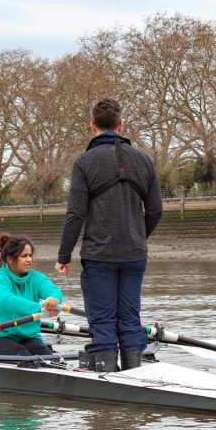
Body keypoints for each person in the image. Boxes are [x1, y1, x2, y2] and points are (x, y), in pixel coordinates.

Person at [55, 98, 163, 372]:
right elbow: (156, 211)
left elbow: (75, 214)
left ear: (92, 127)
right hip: (134, 254)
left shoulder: (84, 162)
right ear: (121, 125)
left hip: (99, 254)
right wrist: (138, 236)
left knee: (102, 319)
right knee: (129, 317)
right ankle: (134, 372)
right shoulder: (143, 160)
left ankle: (105, 375)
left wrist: (64, 255)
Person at [0, 233, 63, 359]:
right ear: (10, 259)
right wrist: (39, 308)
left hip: (27, 337)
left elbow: (53, 290)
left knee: (52, 360)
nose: (29, 259)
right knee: (26, 359)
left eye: (30, 255)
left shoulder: (35, 277)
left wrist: (53, 300)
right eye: (24, 256)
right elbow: (7, 301)